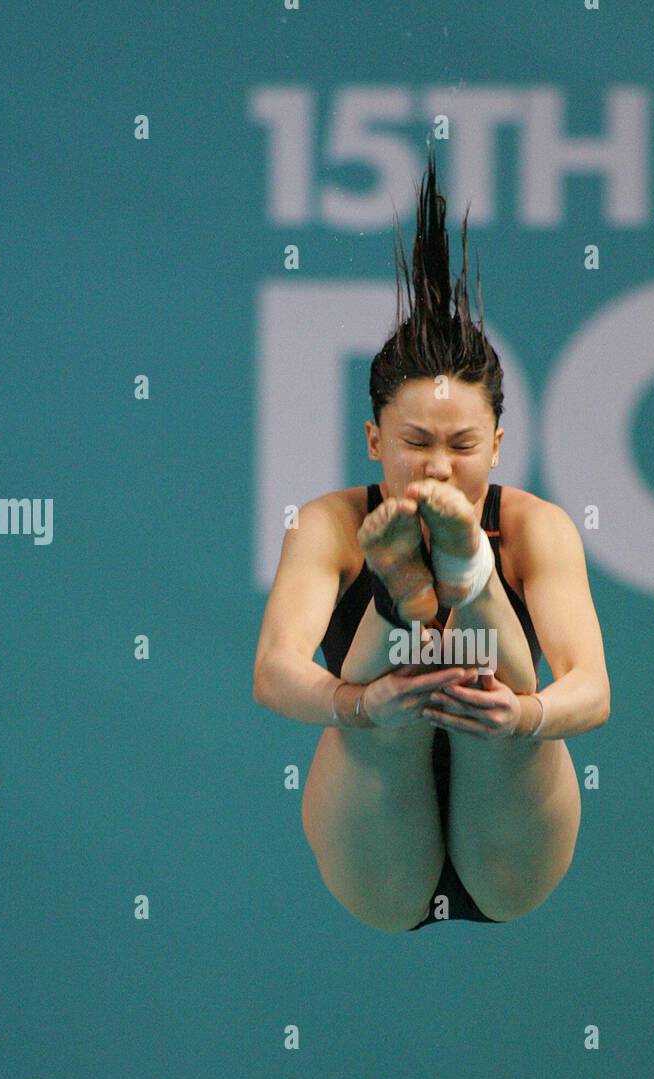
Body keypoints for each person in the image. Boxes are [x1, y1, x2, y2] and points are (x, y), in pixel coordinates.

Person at [253, 149, 610, 933]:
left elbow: (591, 687)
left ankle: (454, 575)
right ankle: (414, 591)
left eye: (462, 444)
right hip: (374, 809)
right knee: (386, 722)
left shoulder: (536, 527)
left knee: (501, 704)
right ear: (374, 439)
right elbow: (274, 673)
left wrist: (526, 720)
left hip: (512, 812)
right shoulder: (327, 524)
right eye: (416, 441)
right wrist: (358, 705)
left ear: (498, 443)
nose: (439, 465)